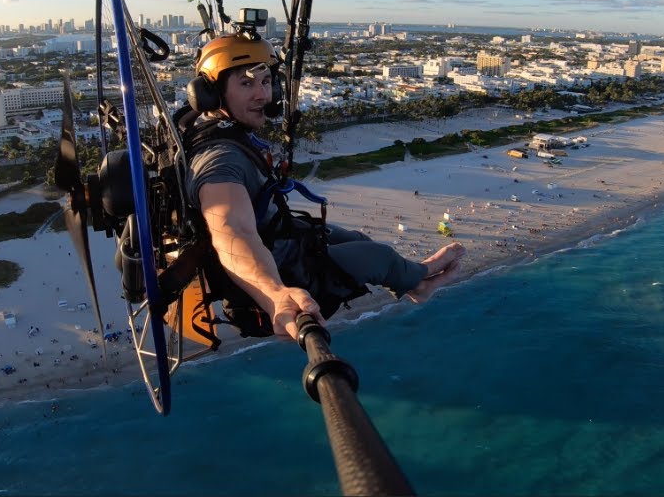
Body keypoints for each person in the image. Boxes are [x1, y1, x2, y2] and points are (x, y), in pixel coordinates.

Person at [184, 32, 464, 341]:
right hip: (282, 271)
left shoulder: (213, 128)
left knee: (356, 238)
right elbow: (231, 230)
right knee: (378, 257)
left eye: (265, 82)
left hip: (281, 238)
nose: (262, 95)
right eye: (246, 83)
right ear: (212, 94)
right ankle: (421, 282)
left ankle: (410, 279)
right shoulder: (220, 159)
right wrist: (275, 294)